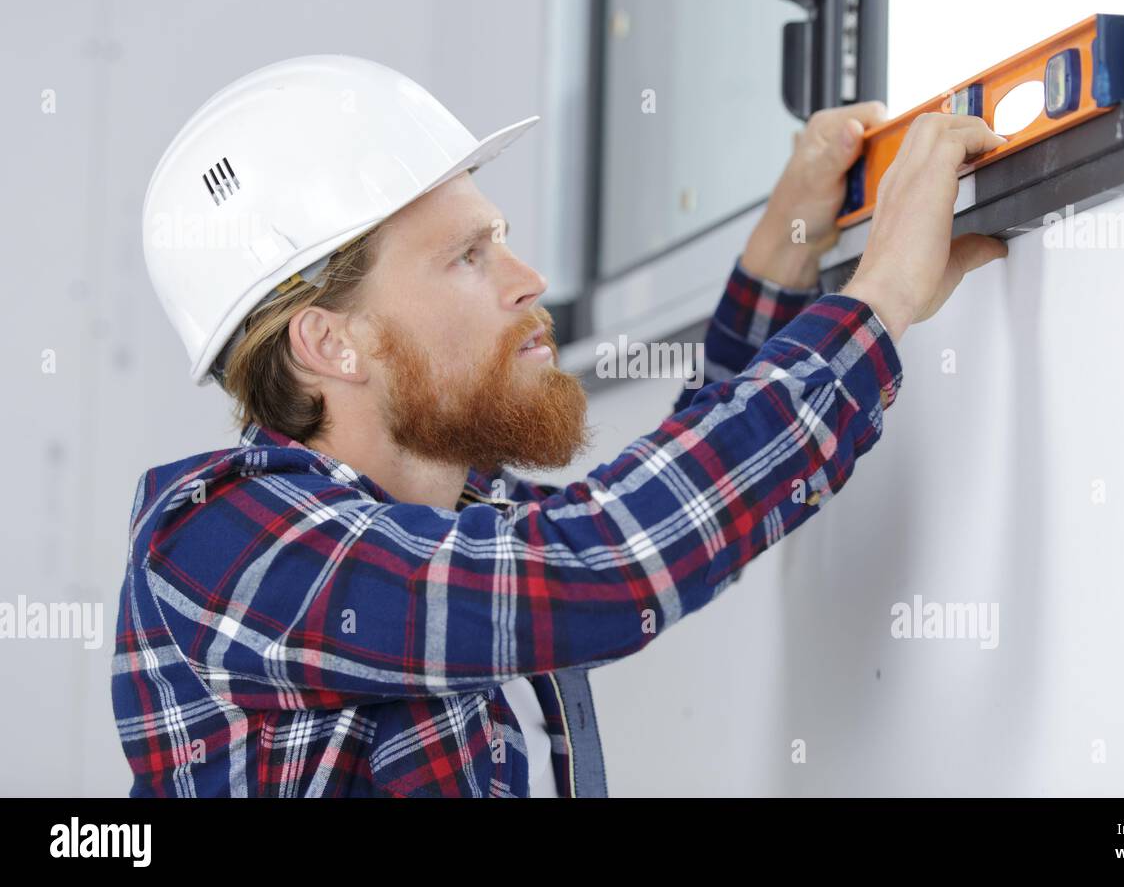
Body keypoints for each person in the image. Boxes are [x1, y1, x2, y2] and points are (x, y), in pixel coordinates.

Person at [112, 55, 1007, 797]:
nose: (526, 278)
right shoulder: (218, 542)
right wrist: (879, 297)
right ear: (332, 342)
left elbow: (669, 490)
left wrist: (794, 229)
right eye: (469, 255)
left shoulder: (454, 527)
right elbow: (606, 565)